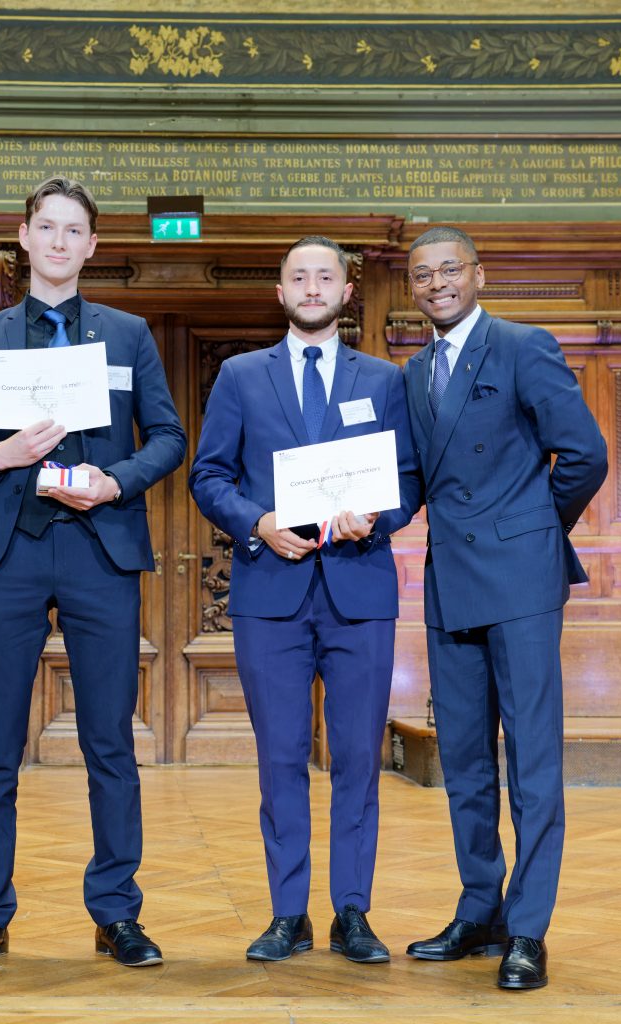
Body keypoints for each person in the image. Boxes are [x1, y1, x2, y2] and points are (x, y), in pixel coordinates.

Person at [0, 176, 185, 969]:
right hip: (5, 553)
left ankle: (117, 913)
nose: (62, 242)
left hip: (100, 547)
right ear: (25, 236)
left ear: (92, 246)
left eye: (76, 231)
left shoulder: (128, 333)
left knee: (110, 740)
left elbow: (168, 438)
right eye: (48, 228)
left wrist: (118, 480)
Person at [189, 236, 419, 965]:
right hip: (271, 596)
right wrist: (255, 522)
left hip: (359, 592)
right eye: (298, 276)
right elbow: (208, 476)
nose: (312, 286)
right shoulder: (239, 376)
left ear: (348, 291)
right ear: (279, 292)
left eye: (326, 276)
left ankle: (352, 911)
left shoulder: (384, 380)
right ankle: (288, 912)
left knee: (357, 758)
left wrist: (377, 516)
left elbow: (408, 480)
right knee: (280, 758)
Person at [400, 226, 607, 990]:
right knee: (462, 760)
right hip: (450, 581)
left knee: (532, 762)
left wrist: (533, 529)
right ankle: (479, 909)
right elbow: (411, 480)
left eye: (450, 270)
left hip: (520, 582)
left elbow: (585, 453)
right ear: (412, 288)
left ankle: (528, 929)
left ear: (478, 274)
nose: (438, 284)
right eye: (423, 275)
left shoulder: (525, 346)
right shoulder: (415, 370)